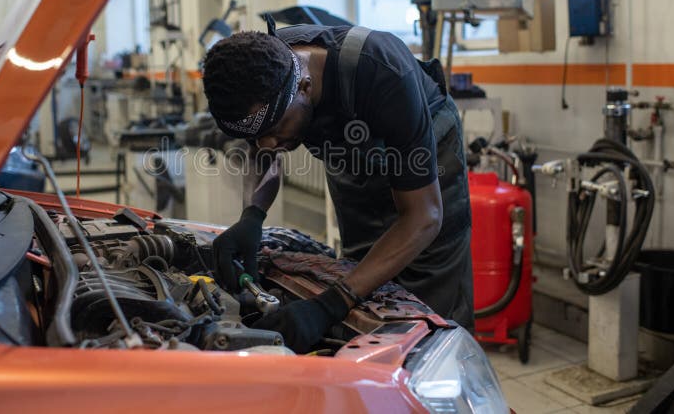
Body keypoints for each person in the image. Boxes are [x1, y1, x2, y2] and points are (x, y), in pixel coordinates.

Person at [201, 22, 472, 353]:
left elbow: (424, 217)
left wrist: (330, 304)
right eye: (255, 136)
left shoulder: (382, 71)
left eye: (276, 127)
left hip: (427, 170)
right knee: (361, 280)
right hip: (358, 167)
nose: (267, 144)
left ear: (304, 85)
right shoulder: (265, 68)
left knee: (428, 315)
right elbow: (262, 146)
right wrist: (252, 216)